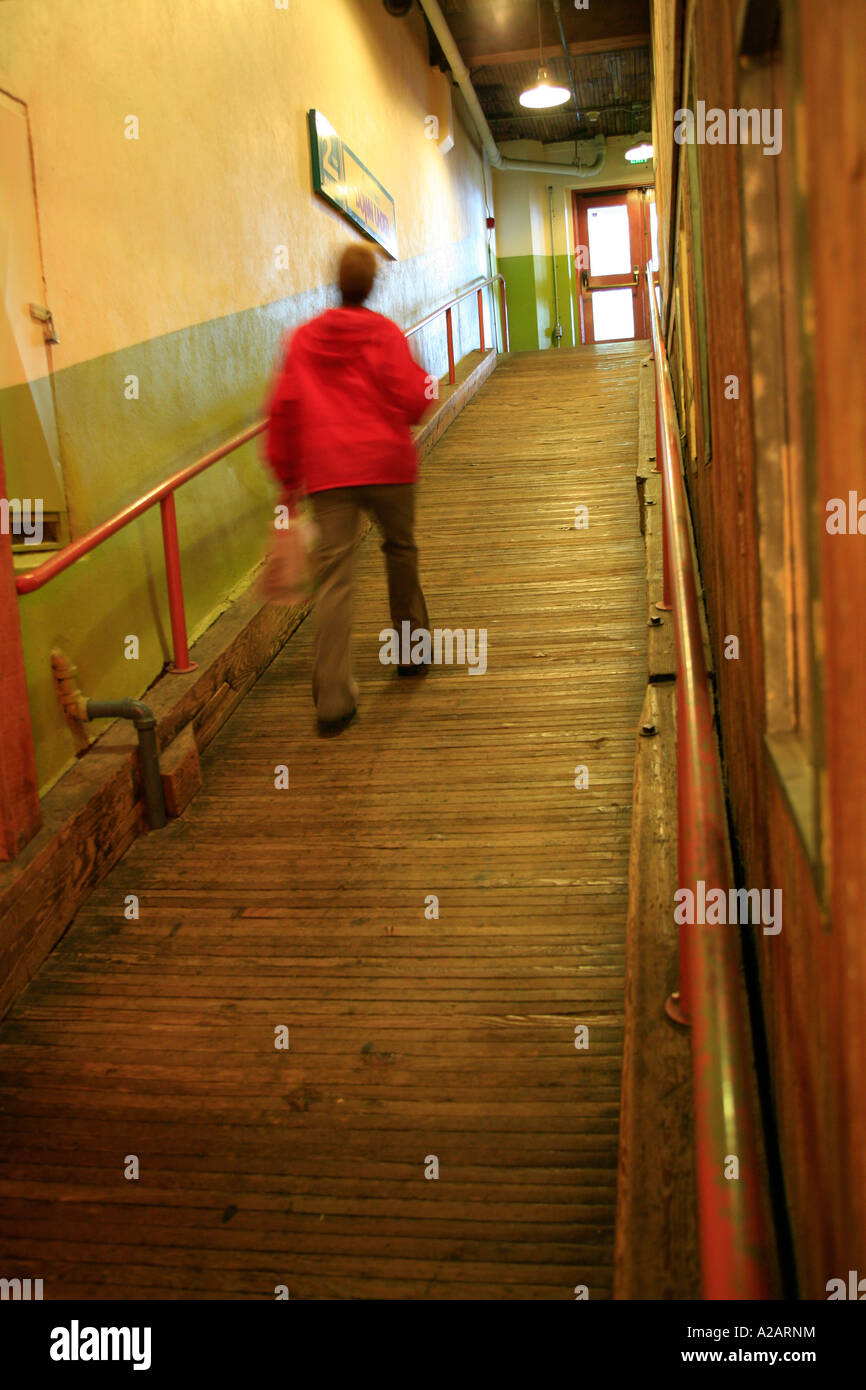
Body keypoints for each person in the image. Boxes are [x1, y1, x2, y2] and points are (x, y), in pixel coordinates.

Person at [264, 243, 433, 735]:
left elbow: (284, 409)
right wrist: (427, 390)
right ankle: (411, 655)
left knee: (335, 577)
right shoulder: (385, 334)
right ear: (372, 286)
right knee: (401, 551)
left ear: (336, 284)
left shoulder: (302, 340)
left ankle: (334, 701)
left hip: (330, 474)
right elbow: (414, 396)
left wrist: (286, 479)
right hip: (388, 464)